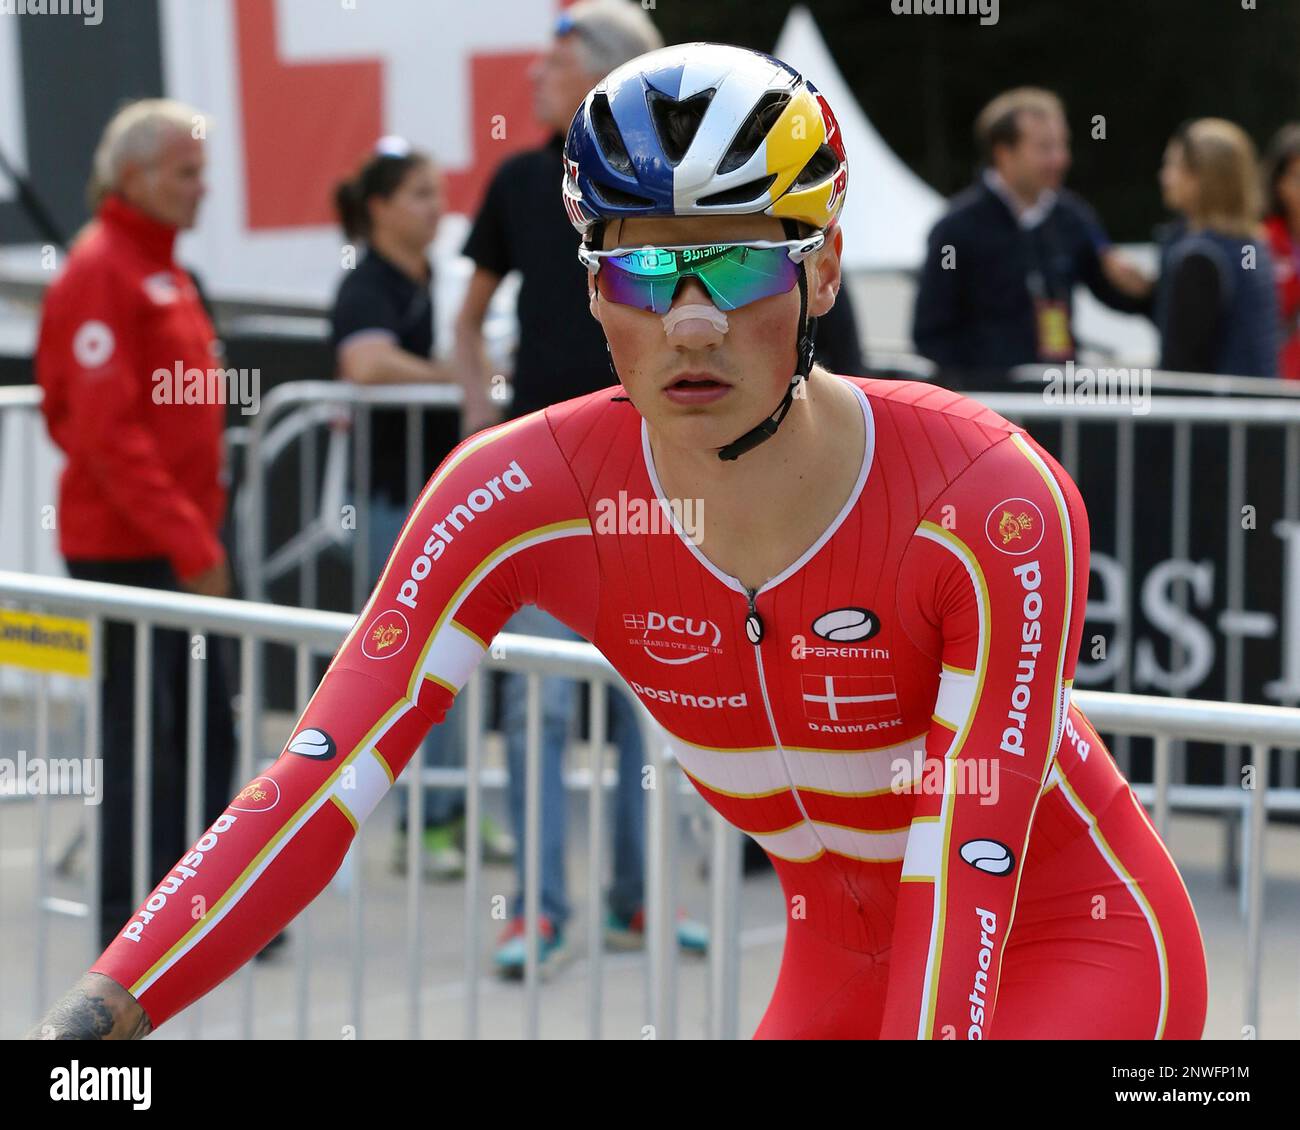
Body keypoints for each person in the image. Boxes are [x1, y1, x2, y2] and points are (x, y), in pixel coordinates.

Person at [34, 43, 1207, 1041]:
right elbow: (317, 778)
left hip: (1068, 947)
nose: (690, 321)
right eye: (643, 266)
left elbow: (968, 855)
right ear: (593, 290)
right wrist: (93, 1018)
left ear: (822, 273)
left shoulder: (984, 498)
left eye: (737, 261)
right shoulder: (515, 490)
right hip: (836, 961)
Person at [454, 0, 703, 975]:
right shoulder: (522, 181)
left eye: (552, 64)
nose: (532, 79)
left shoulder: (674, 183)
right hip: (548, 483)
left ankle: (640, 899)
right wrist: (481, 422)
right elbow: (468, 318)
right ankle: (538, 910)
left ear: (606, 75)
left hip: (657, 475)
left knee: (658, 697)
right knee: (540, 706)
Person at [34, 99, 237, 953]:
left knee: (201, 730)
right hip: (132, 551)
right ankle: (133, 924)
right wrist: (190, 542)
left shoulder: (157, 266)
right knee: (143, 737)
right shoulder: (102, 270)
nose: (202, 188)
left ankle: (199, 906)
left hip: (177, 541)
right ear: (134, 177)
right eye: (186, 173)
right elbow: (99, 428)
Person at [330, 138, 513, 878]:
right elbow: (365, 363)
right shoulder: (365, 282)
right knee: (408, 669)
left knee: (454, 661)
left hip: (438, 506)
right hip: (389, 505)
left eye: (438, 193)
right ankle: (424, 823)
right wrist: (452, 377)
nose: (437, 208)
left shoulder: (437, 280)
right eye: (419, 194)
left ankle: (451, 809)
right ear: (379, 208)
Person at [912, 87, 1150, 384]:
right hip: (991, 404)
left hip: (1058, 397)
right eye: (1045, 148)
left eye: (1063, 145)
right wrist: (972, 395)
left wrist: (1144, 290)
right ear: (1003, 153)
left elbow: (1112, 290)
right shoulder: (956, 228)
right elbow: (931, 333)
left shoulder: (1072, 216)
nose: (1060, 159)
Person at [1154, 118, 1278, 377]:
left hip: (1220, 401)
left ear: (1201, 178)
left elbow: (1181, 367)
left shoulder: (1200, 258)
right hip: (1256, 398)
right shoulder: (1254, 244)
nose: (1164, 177)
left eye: (1174, 166)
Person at [1261, 124, 1300, 379]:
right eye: (1298, 178)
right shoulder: (1257, 242)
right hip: (1277, 384)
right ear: (1279, 184)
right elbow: (1246, 282)